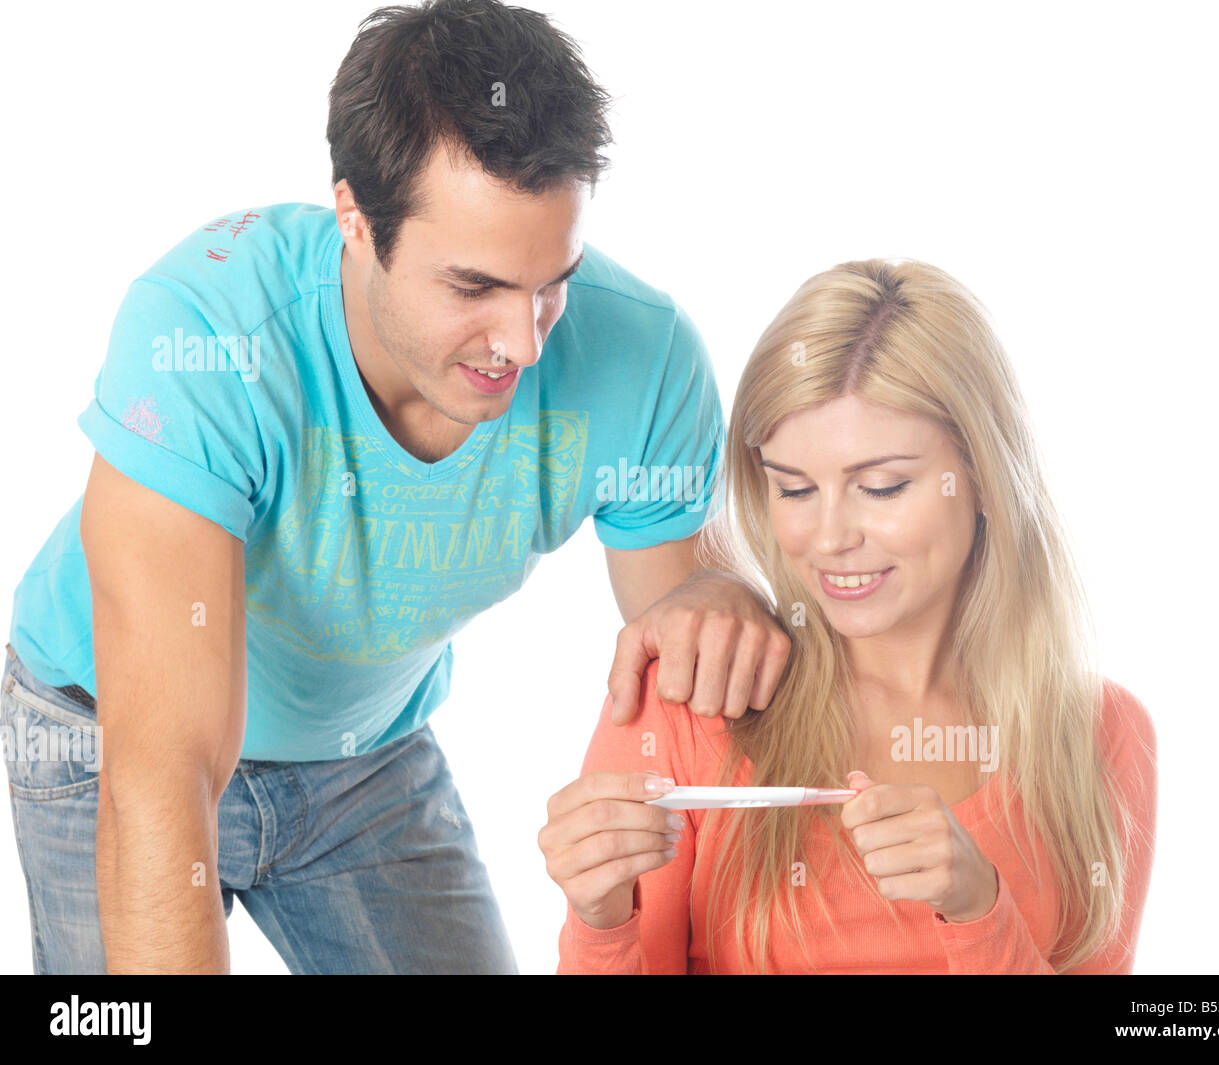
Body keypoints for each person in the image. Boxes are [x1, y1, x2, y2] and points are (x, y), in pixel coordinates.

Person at [0, 0, 789, 975]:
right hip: (105, 727)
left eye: (552, 280)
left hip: (362, 751)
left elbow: (685, 660)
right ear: (355, 219)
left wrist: (719, 597)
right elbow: (162, 777)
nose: (522, 342)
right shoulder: (204, 333)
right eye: (472, 288)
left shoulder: (644, 357)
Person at [540, 258, 1157, 974]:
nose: (830, 538)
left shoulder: (1101, 736)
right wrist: (601, 923)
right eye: (795, 490)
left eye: (882, 486)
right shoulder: (695, 696)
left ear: (984, 475)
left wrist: (979, 906)